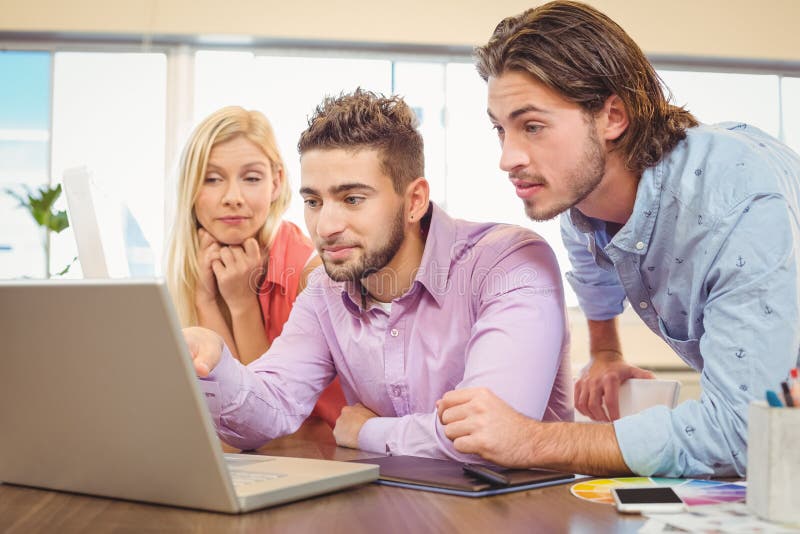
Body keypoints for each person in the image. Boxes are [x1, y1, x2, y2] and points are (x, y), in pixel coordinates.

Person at [437, 0, 800, 477]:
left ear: (612, 117)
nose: (507, 157)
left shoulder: (734, 210)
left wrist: (530, 440)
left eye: (533, 127)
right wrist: (606, 351)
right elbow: (593, 273)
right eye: (499, 129)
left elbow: (743, 434)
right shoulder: (582, 198)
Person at [183, 89, 573, 458]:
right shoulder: (325, 292)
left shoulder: (509, 265)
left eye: (352, 199)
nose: (325, 226)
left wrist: (368, 433)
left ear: (414, 200)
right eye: (314, 201)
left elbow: (490, 438)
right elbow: (269, 410)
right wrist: (214, 361)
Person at [166, 106, 345, 427]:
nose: (232, 197)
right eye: (212, 178)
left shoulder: (310, 273)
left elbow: (258, 411)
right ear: (190, 188)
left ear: (275, 183)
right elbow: (222, 408)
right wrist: (205, 299)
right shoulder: (199, 265)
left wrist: (241, 303)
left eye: (251, 178)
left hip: (322, 456)